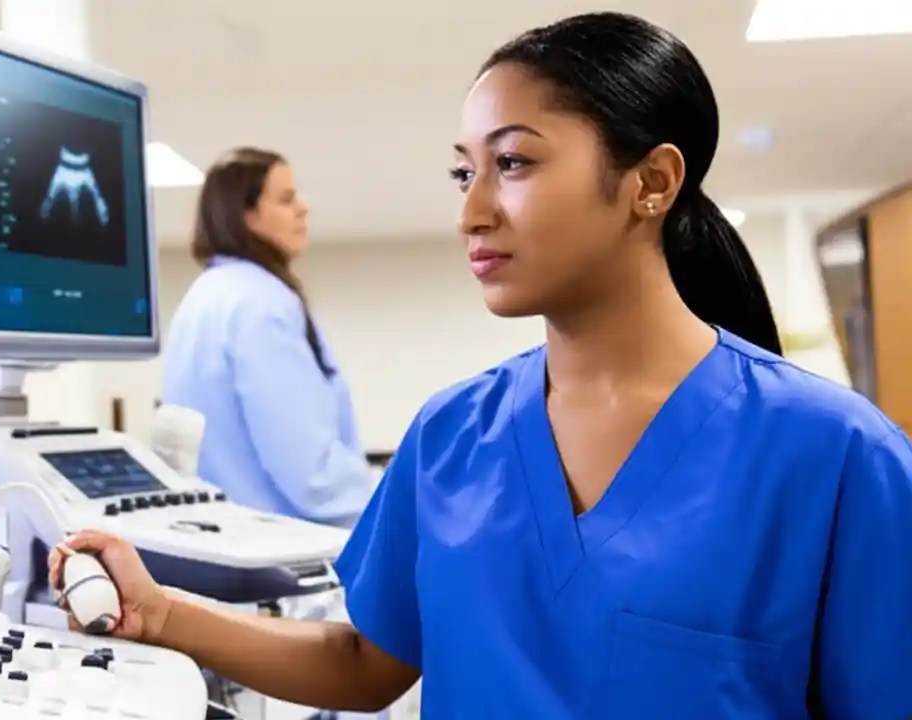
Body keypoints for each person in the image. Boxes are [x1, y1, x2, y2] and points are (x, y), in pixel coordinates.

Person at [52, 12, 912, 718]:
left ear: (651, 182)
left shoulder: (832, 457)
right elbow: (365, 662)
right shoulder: (452, 436)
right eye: (464, 171)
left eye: (512, 163)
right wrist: (161, 612)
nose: (471, 210)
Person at [160, 147, 375, 527]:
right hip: (281, 549)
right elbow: (309, 471)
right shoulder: (262, 303)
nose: (303, 208)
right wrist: (393, 503)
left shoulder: (204, 296)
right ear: (245, 215)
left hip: (221, 541)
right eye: (286, 199)